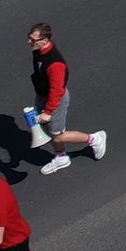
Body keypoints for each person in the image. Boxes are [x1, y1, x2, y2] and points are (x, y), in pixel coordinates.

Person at [26, 23, 107, 174]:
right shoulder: (39, 50)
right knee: (49, 131)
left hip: (54, 101)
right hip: (43, 96)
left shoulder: (55, 64)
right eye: (29, 38)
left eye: (33, 39)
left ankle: (93, 139)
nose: (29, 42)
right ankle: (61, 157)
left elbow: (57, 91)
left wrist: (48, 112)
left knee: (58, 135)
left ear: (45, 40)